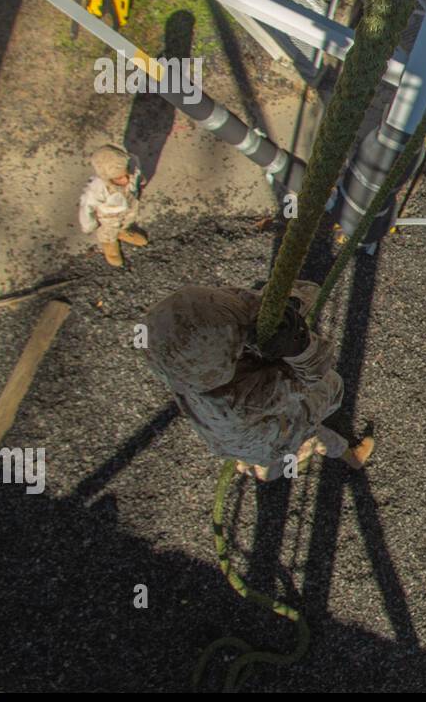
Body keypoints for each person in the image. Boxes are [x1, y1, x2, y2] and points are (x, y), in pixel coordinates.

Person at [143, 283, 373, 481]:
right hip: (268, 437)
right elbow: (311, 376)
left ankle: (256, 463)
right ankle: (348, 455)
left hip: (225, 438)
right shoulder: (239, 398)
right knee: (322, 402)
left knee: (256, 449)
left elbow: (239, 305)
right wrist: (299, 346)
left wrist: (285, 305)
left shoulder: (173, 358)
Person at [78, 144, 147, 268]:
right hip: (109, 215)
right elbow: (86, 207)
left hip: (129, 204)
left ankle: (123, 231)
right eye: (119, 178)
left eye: (126, 174)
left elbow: (138, 173)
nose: (125, 180)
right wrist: (89, 224)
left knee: (129, 218)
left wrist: (140, 180)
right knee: (108, 230)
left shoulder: (132, 165)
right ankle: (109, 244)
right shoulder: (97, 187)